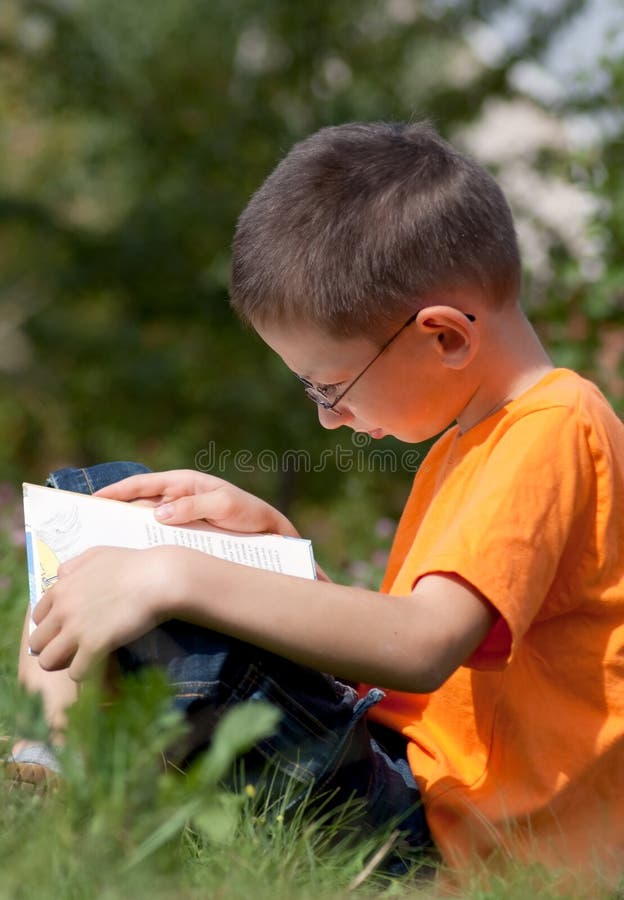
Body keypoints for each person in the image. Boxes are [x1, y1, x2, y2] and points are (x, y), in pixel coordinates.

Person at [13, 122, 624, 891]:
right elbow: (421, 663)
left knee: (152, 573)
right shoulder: (472, 441)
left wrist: (181, 574)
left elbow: (422, 645)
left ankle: (64, 787)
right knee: (103, 491)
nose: (326, 417)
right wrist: (283, 549)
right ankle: (48, 769)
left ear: (443, 337)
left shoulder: (555, 427)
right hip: (410, 780)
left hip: (443, 840)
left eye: (329, 386)